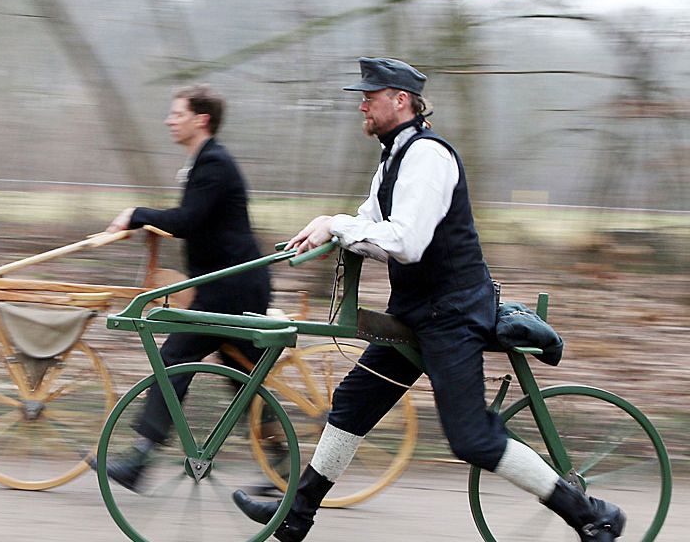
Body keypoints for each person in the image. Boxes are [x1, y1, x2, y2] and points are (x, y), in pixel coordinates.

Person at [231, 58, 626, 542]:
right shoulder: (392, 159)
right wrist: (329, 230)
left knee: (471, 438)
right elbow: (370, 225)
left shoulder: (428, 157)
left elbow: (405, 242)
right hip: (417, 312)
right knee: (352, 404)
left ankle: (589, 513)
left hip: (453, 315)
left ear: (401, 100)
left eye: (370, 96)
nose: (362, 104)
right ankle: (296, 515)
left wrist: (336, 224)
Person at [90, 84, 272, 491]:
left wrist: (136, 214)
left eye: (177, 113)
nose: (169, 120)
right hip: (230, 285)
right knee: (243, 375)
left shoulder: (214, 164)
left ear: (200, 119)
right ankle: (278, 464)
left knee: (173, 358)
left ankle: (140, 459)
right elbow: (196, 222)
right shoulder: (205, 161)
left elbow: (187, 220)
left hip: (231, 290)